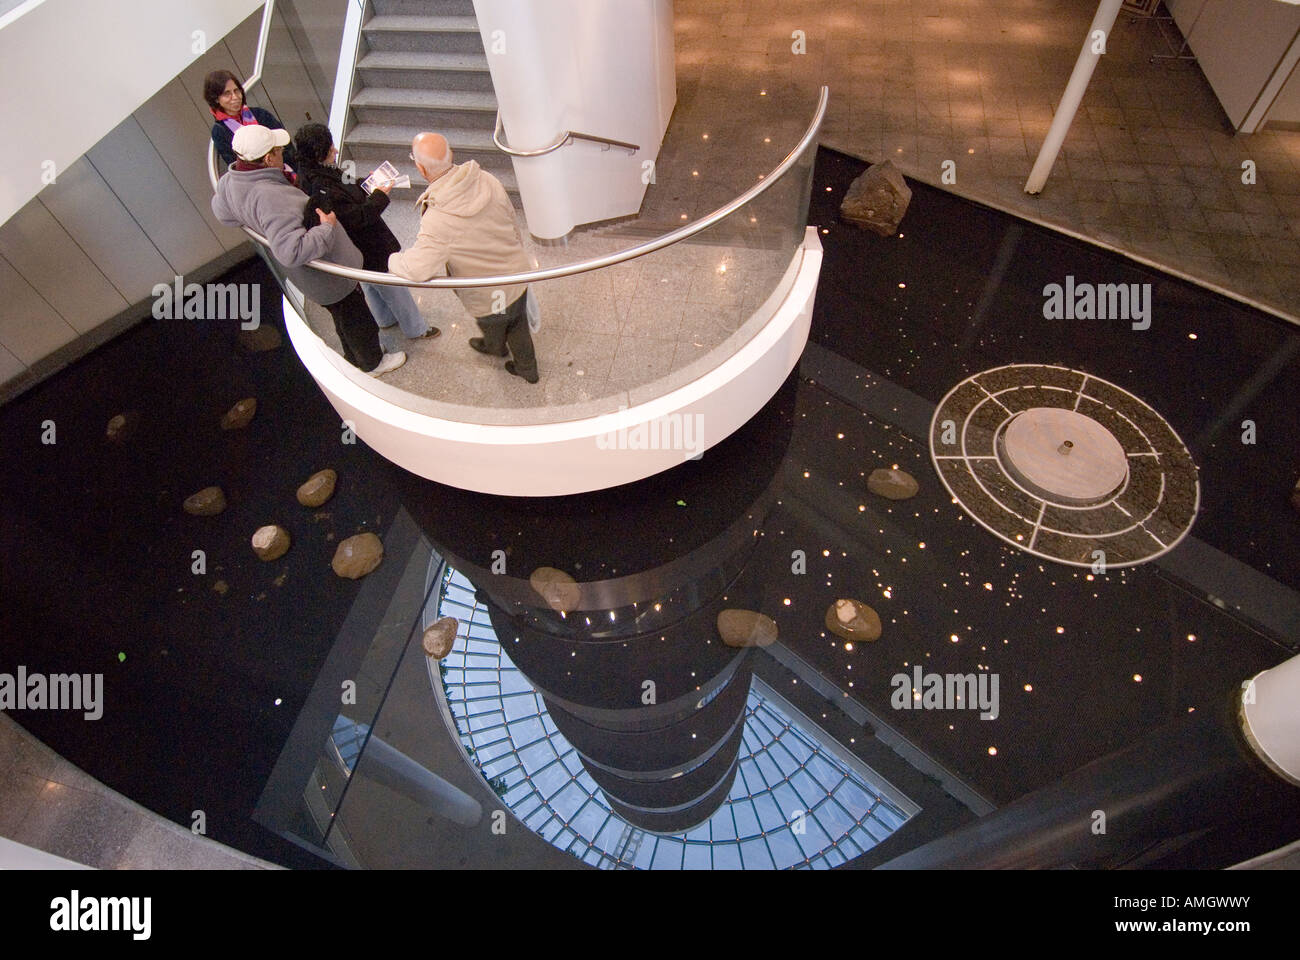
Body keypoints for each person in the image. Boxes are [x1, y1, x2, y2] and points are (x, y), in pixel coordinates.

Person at [211, 124, 405, 377]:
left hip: (313, 281)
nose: (283, 154)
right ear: (268, 158)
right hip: (327, 274)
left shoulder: (230, 181)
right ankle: (373, 363)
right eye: (279, 151)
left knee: (342, 317)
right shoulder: (271, 197)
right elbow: (291, 250)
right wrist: (326, 228)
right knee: (356, 317)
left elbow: (223, 214)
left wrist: (252, 219)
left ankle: (354, 357)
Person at [389, 132, 539, 384]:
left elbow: (416, 270)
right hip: (515, 273)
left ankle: (495, 347)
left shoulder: (438, 217)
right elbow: (513, 224)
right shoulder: (487, 179)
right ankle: (528, 369)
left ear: (420, 168)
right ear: (452, 155)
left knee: (494, 322)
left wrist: (391, 259)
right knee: (518, 322)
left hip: (485, 292)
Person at [292, 123, 439, 342]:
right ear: (317, 151)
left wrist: (367, 184)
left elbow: (345, 187)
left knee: (370, 281)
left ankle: (385, 319)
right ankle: (416, 328)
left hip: (356, 248)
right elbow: (359, 218)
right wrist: (379, 194)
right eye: (330, 147)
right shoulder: (321, 185)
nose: (335, 150)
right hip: (366, 242)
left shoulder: (311, 173)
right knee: (392, 284)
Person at [204, 70, 296, 170]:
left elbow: (287, 146)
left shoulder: (260, 114)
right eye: (227, 94)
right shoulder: (220, 132)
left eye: (237, 90)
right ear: (216, 99)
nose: (235, 97)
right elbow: (237, 167)